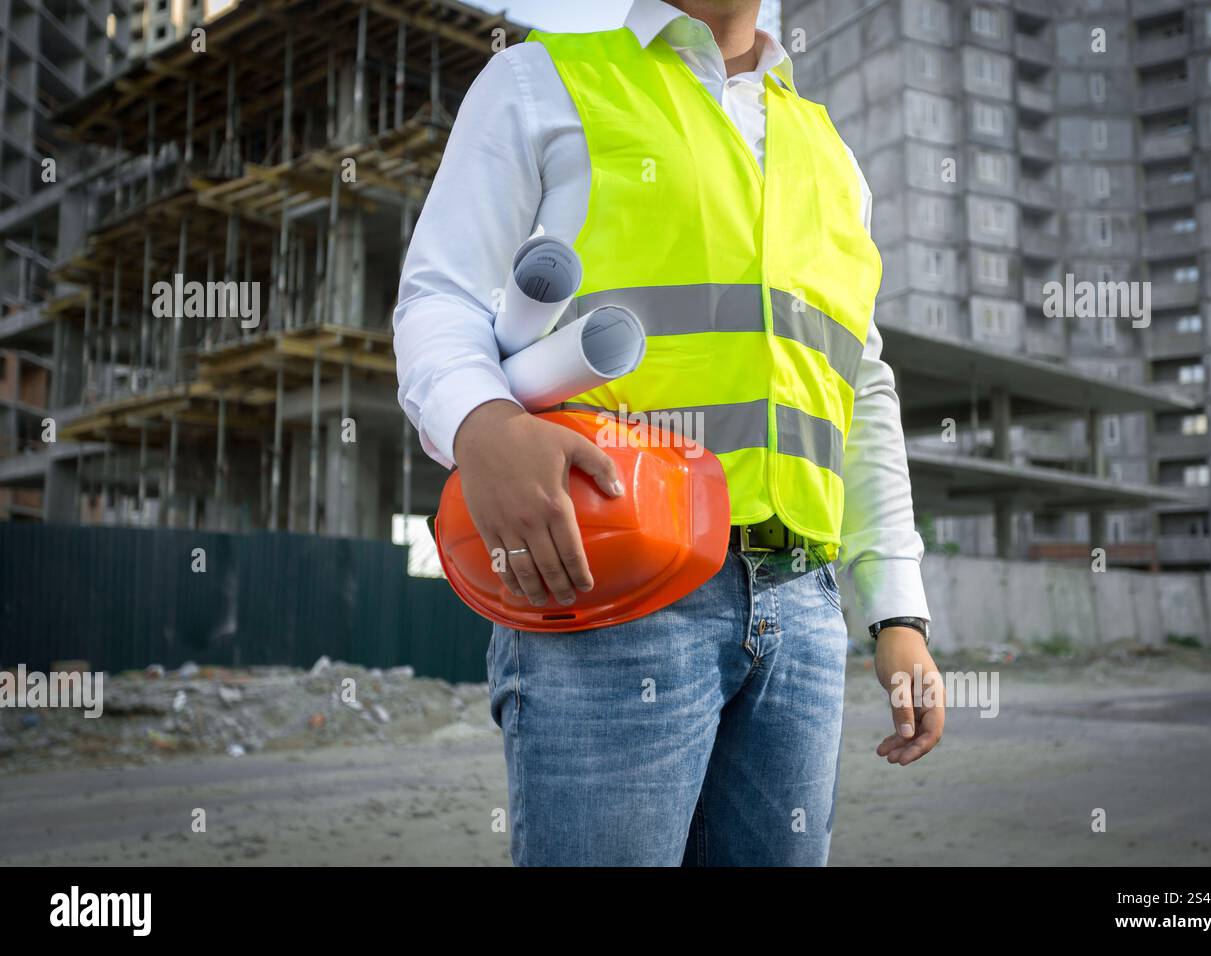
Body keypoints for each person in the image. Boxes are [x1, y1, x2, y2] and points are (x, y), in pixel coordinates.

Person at [394, 0, 944, 866]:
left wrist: (897, 610)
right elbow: (441, 295)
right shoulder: (543, 80)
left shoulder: (832, 158)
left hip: (801, 607)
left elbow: (858, 385)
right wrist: (482, 420)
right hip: (611, 580)